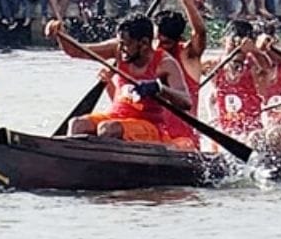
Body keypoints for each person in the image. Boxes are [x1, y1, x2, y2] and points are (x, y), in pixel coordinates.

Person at [65, 15, 195, 148]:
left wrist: (159, 88)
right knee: (77, 124)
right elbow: (75, 50)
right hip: (115, 116)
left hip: (149, 125)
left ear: (144, 43)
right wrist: (59, 33)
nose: (120, 49)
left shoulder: (165, 63)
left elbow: (186, 102)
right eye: (119, 42)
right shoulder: (118, 49)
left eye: (125, 44)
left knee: (108, 130)